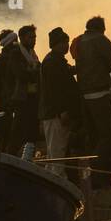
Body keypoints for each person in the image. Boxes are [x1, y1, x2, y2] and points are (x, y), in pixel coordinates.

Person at [74, 15, 111, 180]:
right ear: (101, 28)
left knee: (92, 136)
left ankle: (89, 178)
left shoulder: (79, 42)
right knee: (107, 136)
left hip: (84, 96)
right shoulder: (101, 40)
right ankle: (94, 173)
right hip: (100, 94)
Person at [40, 27, 78, 178]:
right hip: (55, 114)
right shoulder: (52, 62)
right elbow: (54, 91)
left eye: (67, 42)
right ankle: (57, 181)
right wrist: (62, 111)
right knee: (57, 152)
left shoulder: (55, 61)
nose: (66, 46)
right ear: (55, 44)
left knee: (54, 153)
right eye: (63, 42)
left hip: (52, 113)